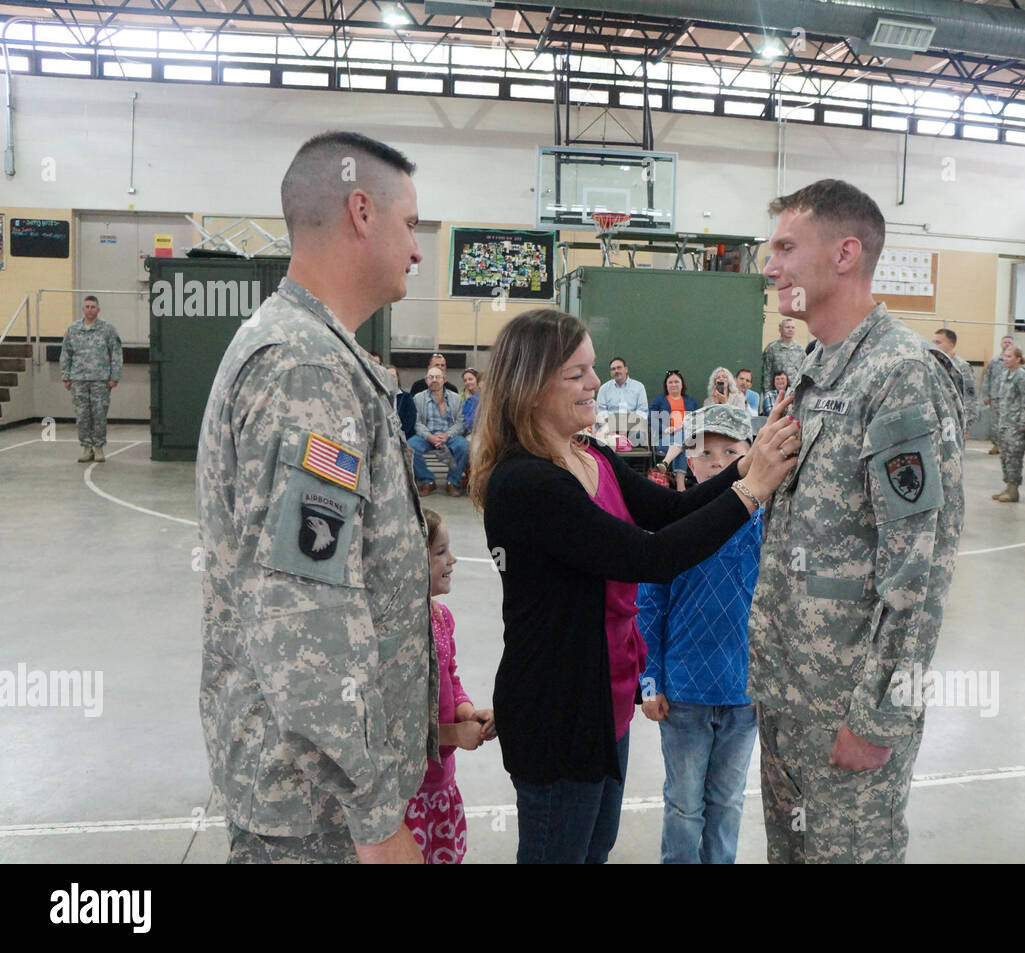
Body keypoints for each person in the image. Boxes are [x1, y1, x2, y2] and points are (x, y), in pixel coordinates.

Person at [471, 308, 799, 864]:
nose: (596, 383)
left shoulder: (589, 453)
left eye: (592, 369)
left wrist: (748, 465)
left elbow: (671, 511)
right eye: (577, 373)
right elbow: (649, 556)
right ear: (530, 388)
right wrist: (751, 493)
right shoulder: (526, 483)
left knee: (593, 849)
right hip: (558, 710)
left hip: (607, 703)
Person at [196, 130, 431, 864]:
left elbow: (321, 553)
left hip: (314, 790)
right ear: (362, 211)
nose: (418, 250)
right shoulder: (303, 367)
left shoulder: (315, 350)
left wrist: (406, 559)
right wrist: (373, 816)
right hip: (315, 810)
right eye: (411, 225)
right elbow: (302, 615)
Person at [749, 179, 965, 864]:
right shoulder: (816, 367)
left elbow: (919, 569)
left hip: (846, 709)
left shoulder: (899, 373)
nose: (768, 265)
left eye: (785, 247)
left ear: (844, 253)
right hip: (789, 695)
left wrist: (877, 715)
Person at [637, 403, 763, 864]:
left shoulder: (767, 524)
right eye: (704, 452)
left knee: (728, 802)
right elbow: (649, 605)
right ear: (687, 460)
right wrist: (649, 680)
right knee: (684, 804)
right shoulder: (670, 524)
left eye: (730, 450)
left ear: (750, 454)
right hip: (684, 692)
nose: (716, 462)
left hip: (745, 692)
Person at [404, 508, 495, 864]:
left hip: (441, 782)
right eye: (440, 552)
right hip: (408, 791)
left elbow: (451, 676)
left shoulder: (441, 617)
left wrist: (467, 711)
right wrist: (453, 735)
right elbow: (396, 724)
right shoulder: (402, 634)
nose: (453, 559)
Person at [59, 295, 122, 463]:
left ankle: (99, 448)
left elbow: (116, 353)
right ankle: (86, 448)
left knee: (99, 414)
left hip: (101, 380)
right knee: (82, 415)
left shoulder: (108, 329)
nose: (90, 309)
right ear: (82, 309)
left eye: (93, 307)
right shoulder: (73, 329)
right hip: (78, 379)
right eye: (87, 306)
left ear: (98, 309)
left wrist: (114, 377)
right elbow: (66, 354)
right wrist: (66, 376)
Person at [409, 367, 468, 497]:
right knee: (410, 447)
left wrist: (447, 435)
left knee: (463, 446)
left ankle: (453, 482)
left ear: (444, 379)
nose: (434, 380)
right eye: (431, 377)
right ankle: (428, 481)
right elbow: (417, 423)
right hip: (427, 435)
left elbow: (460, 422)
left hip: (449, 435)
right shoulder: (418, 398)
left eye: (437, 377)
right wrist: (429, 436)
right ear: (426, 380)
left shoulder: (456, 399)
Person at [993, 347, 1025, 503]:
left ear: (1018, 359)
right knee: (1004, 457)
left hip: (1015, 425)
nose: (1005, 359)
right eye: (1004, 356)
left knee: (1014, 458)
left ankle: (1013, 491)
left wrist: (1024, 422)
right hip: (1005, 424)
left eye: (1009, 356)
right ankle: (1008, 486)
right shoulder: (1005, 375)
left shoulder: (1022, 377)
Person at [649, 371, 699, 491]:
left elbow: (698, 419)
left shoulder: (691, 401)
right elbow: (651, 417)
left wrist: (686, 428)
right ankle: (681, 487)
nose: (673, 384)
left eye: (676, 381)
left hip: (688, 437)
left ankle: (666, 462)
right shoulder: (659, 400)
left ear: (682, 384)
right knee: (682, 445)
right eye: (670, 382)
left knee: (682, 439)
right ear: (666, 385)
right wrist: (665, 429)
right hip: (664, 439)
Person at [932, 328, 978, 438]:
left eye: (938, 342)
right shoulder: (935, 364)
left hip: (954, 421)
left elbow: (970, 398)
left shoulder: (961, 367)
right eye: (932, 342)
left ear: (951, 345)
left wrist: (966, 427)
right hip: (937, 419)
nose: (934, 345)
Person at [981, 334, 1015, 454]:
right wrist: (985, 395)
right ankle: (997, 445)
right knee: (995, 423)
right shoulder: (994, 361)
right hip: (996, 397)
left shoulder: (1017, 361)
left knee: (1010, 423)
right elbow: (987, 378)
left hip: (1011, 398)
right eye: (1005, 342)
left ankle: (1008, 446)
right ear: (1001, 344)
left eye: (1009, 342)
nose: (1007, 344)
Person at [596, 356, 649, 423]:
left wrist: (628, 423)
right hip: (609, 425)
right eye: (613, 369)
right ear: (611, 372)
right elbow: (601, 412)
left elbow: (642, 412)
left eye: (619, 367)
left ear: (626, 369)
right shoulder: (604, 389)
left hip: (633, 425)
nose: (616, 371)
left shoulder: (639, 387)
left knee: (638, 432)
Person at [761, 317, 805, 393]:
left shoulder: (800, 349)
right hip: (776, 391)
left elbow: (804, 370)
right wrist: (767, 391)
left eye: (793, 327)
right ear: (780, 329)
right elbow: (766, 372)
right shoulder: (772, 348)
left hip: (794, 391)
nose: (790, 330)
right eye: (787, 327)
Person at [387, 365, 417, 439]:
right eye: (387, 376)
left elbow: (410, 419)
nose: (391, 379)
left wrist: (400, 435)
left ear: (397, 378)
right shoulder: (379, 397)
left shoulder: (406, 397)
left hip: (404, 436)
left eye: (393, 376)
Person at [456, 368, 481, 438]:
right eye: (465, 380)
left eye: (470, 379)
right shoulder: (461, 397)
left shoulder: (485, 396)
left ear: (477, 380)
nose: (467, 382)